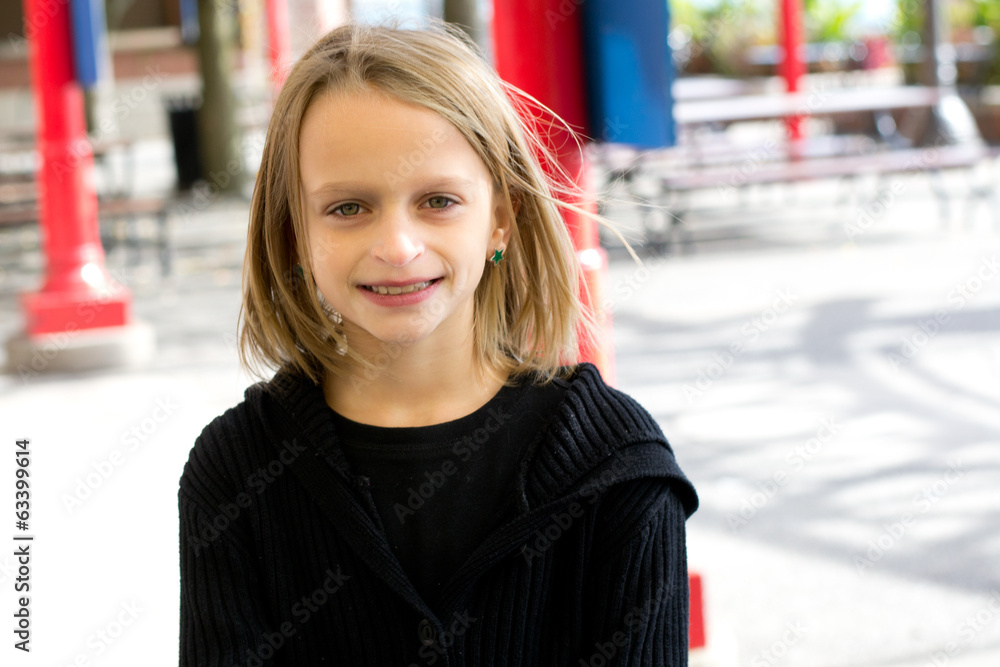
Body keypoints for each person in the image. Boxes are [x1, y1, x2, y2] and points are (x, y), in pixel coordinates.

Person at [178, 21, 698, 667]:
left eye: (438, 200)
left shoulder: (617, 466)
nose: (397, 246)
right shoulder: (236, 471)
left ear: (501, 218)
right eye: (347, 208)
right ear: (292, 234)